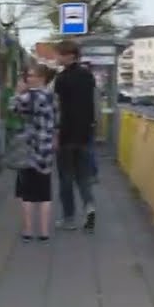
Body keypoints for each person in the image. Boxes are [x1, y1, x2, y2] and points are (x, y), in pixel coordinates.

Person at [52, 39, 97, 233]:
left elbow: (57, 109)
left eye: (60, 54)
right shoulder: (88, 76)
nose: (57, 58)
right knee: (84, 178)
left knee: (66, 179)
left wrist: (55, 133)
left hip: (66, 136)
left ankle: (69, 219)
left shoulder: (61, 79)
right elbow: (93, 105)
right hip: (85, 135)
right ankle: (90, 212)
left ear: (69, 55)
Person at [11, 63, 57, 242]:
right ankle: (44, 233)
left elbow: (12, 109)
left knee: (27, 194)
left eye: (31, 76)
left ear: (42, 78)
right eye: (27, 76)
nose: (28, 79)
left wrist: (17, 92)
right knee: (45, 194)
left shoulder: (27, 97)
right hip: (46, 151)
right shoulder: (53, 97)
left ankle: (28, 231)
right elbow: (57, 122)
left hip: (28, 151)